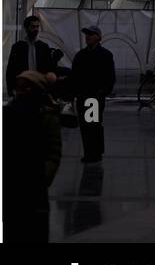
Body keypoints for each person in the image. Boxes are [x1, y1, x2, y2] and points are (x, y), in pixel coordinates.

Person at [3, 71, 62, 243]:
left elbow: (53, 152)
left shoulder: (46, 117)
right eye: (19, 87)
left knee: (34, 232)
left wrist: (42, 177)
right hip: (11, 188)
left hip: (33, 187)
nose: (21, 92)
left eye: (26, 87)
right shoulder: (7, 114)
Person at [70, 26, 115, 164]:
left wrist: (102, 93)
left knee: (92, 124)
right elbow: (74, 76)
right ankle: (94, 152)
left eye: (91, 34)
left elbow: (110, 77)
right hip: (85, 96)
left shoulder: (104, 55)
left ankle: (92, 153)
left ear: (98, 37)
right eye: (86, 34)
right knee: (87, 125)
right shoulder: (81, 55)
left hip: (93, 97)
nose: (87, 36)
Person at [6, 15, 58, 93]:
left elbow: (49, 68)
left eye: (37, 26)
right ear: (26, 28)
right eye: (33, 26)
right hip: (23, 86)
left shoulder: (43, 46)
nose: (36, 29)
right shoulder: (18, 47)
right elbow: (11, 69)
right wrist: (10, 89)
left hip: (39, 85)